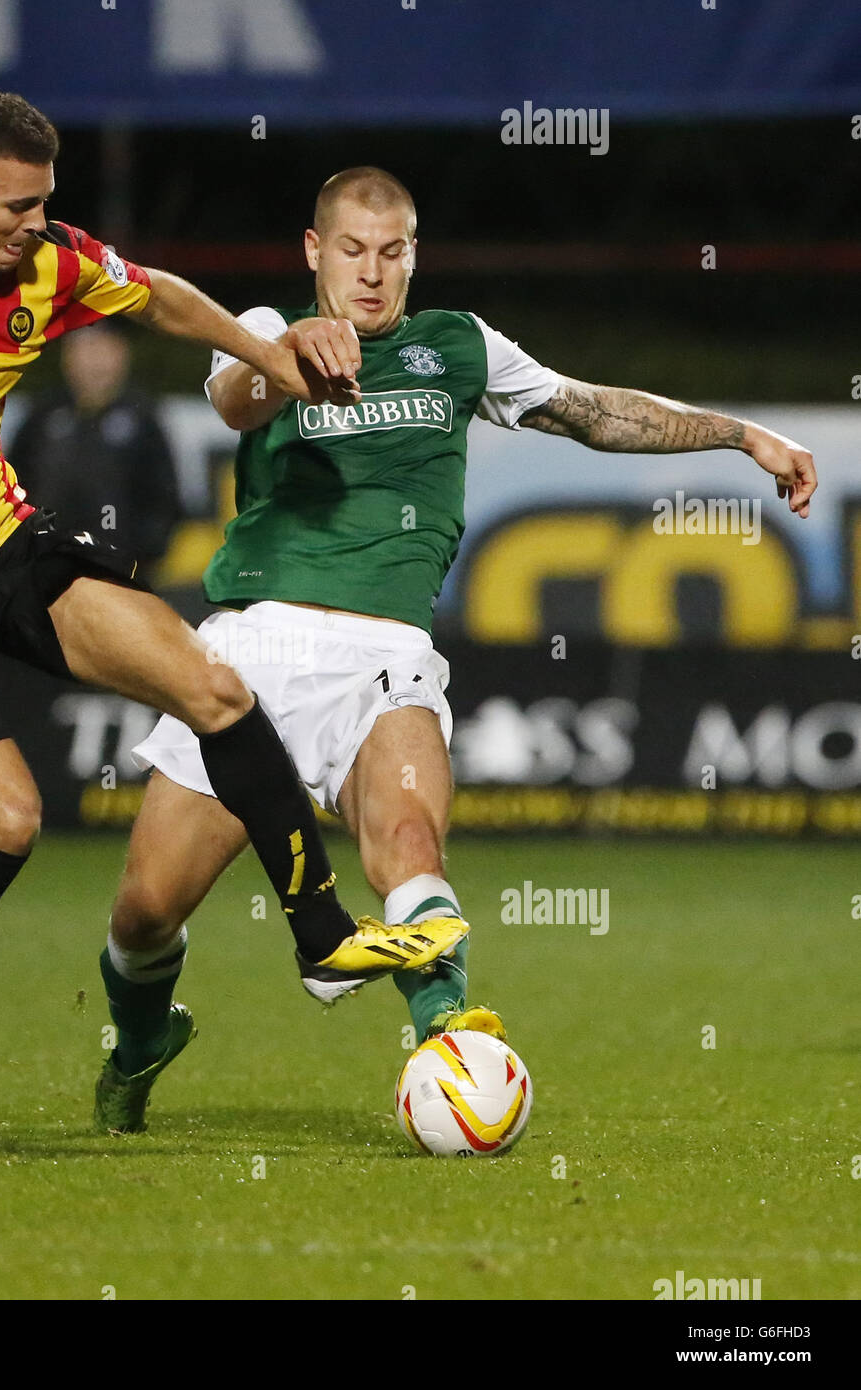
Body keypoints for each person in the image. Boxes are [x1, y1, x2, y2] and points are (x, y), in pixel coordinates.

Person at [0, 105, 468, 1128]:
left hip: (1, 549)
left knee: (215, 685)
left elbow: (161, 299)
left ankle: (321, 932)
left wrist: (262, 353)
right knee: (8, 821)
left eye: (46, 202)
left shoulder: (45, 262)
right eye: (19, 205)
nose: (36, 223)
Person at [93, 165, 818, 1135]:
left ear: (414, 255)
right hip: (249, 654)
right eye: (352, 250)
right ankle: (142, 1037)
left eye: (393, 253)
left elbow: (593, 411)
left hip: (384, 653)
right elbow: (231, 400)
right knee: (144, 910)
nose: (372, 272)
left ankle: (453, 1039)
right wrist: (282, 358)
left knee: (410, 847)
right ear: (316, 251)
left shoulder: (458, 346)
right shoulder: (264, 329)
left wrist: (741, 435)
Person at [9, 318, 182, 582]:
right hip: (46, 570)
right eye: (84, 348)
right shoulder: (43, 415)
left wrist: (142, 556)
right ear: (67, 356)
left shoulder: (142, 418)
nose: (93, 360)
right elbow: (13, 484)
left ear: (121, 353)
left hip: (120, 572)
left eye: (103, 348)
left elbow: (164, 498)